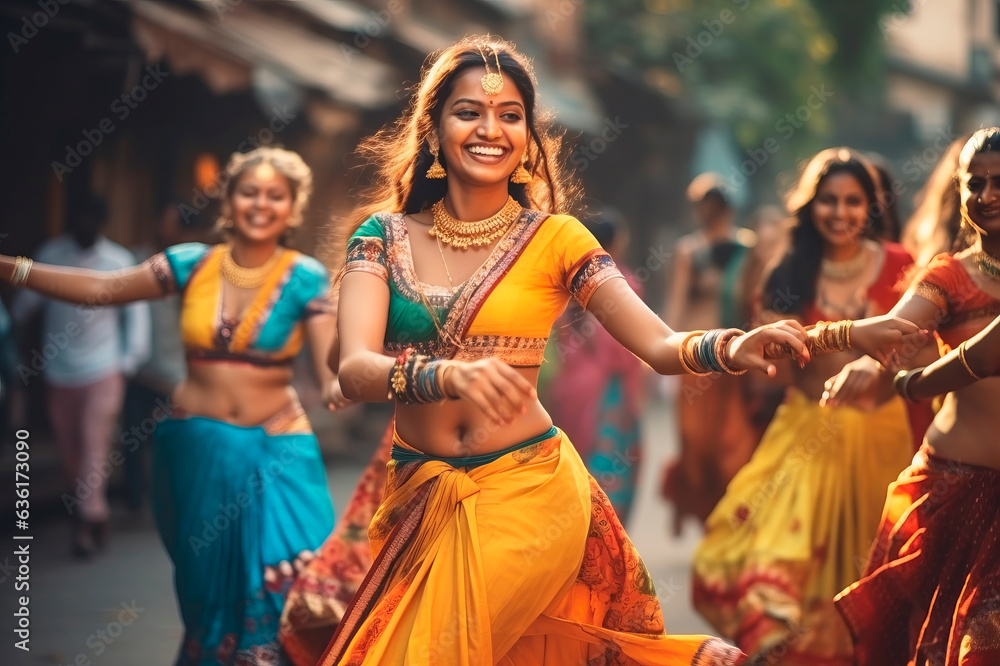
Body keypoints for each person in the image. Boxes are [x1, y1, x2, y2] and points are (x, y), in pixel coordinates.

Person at [310, 36, 918, 666]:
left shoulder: (555, 239)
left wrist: (747, 345)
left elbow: (658, 344)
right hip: (419, 495)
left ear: (527, 139)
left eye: (510, 115)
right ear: (433, 130)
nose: (490, 129)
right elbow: (355, 369)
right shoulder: (380, 236)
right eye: (469, 112)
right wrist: (444, 378)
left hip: (530, 492)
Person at [1, 147, 337, 665]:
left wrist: (362, 382)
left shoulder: (306, 277)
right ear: (229, 200)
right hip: (195, 448)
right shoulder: (191, 263)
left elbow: (333, 370)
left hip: (279, 449)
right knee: (205, 596)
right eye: (249, 192)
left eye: (276, 196)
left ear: (292, 208)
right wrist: (11, 268)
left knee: (290, 583)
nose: (260, 204)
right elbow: (106, 288)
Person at [691, 148, 918, 665]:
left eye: (853, 201)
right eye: (828, 200)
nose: (840, 212)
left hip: (880, 438)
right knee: (739, 557)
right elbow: (778, 360)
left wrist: (870, 361)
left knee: (865, 584)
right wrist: (851, 333)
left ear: (871, 207)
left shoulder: (901, 265)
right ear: (810, 205)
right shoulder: (789, 272)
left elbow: (919, 344)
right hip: (806, 430)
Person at [832, 128, 1000, 666]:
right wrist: (864, 358)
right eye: (976, 183)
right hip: (954, 488)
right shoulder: (950, 275)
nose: (988, 195)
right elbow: (898, 328)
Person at [11, 193, 151, 557]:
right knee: (68, 447)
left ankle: (90, 516)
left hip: (103, 369)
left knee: (94, 444)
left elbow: (136, 316)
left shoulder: (118, 261)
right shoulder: (50, 256)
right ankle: (87, 506)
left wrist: (127, 362)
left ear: (102, 225)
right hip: (59, 371)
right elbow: (25, 305)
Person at [660, 174, 762, 534]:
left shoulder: (748, 249)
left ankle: (729, 514)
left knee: (731, 437)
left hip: (735, 357)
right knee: (696, 439)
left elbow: (755, 300)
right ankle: (703, 514)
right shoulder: (690, 250)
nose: (707, 213)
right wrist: (662, 352)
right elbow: (676, 302)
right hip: (697, 358)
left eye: (712, 206)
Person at [544, 208, 647, 524]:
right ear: (614, 244)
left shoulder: (563, 282)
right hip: (606, 392)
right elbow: (626, 348)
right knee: (610, 469)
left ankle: (572, 537)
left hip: (566, 389)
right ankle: (605, 540)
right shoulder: (620, 281)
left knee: (570, 466)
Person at [121, 199, 190, 513]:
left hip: (174, 373)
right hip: (137, 368)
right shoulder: (135, 261)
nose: (170, 229)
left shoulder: (193, 269)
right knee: (132, 437)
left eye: (177, 223)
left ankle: (170, 500)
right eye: (167, 221)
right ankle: (135, 499)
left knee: (173, 439)